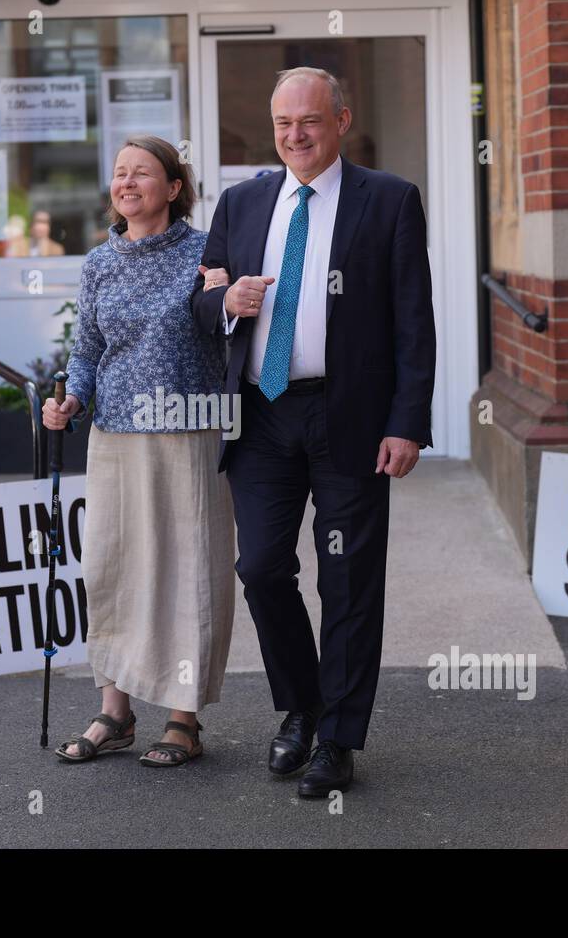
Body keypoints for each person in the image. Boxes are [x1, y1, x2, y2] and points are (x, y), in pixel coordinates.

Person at [190, 67, 436, 796]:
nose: (296, 135)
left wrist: (408, 423)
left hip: (350, 417)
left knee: (349, 579)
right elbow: (201, 307)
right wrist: (226, 301)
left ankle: (338, 739)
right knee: (262, 567)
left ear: (341, 121)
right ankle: (302, 703)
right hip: (263, 415)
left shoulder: (388, 201)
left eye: (310, 121)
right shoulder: (241, 203)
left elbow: (413, 322)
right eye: (283, 125)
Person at [43, 135, 235, 767]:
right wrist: (71, 399)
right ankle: (114, 712)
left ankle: (184, 719)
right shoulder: (99, 262)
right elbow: (88, 350)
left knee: (189, 569)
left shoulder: (208, 250)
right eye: (119, 174)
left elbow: (230, 326)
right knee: (113, 567)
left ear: (174, 188)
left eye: (142, 173)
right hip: (116, 434)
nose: (127, 182)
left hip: (189, 427)